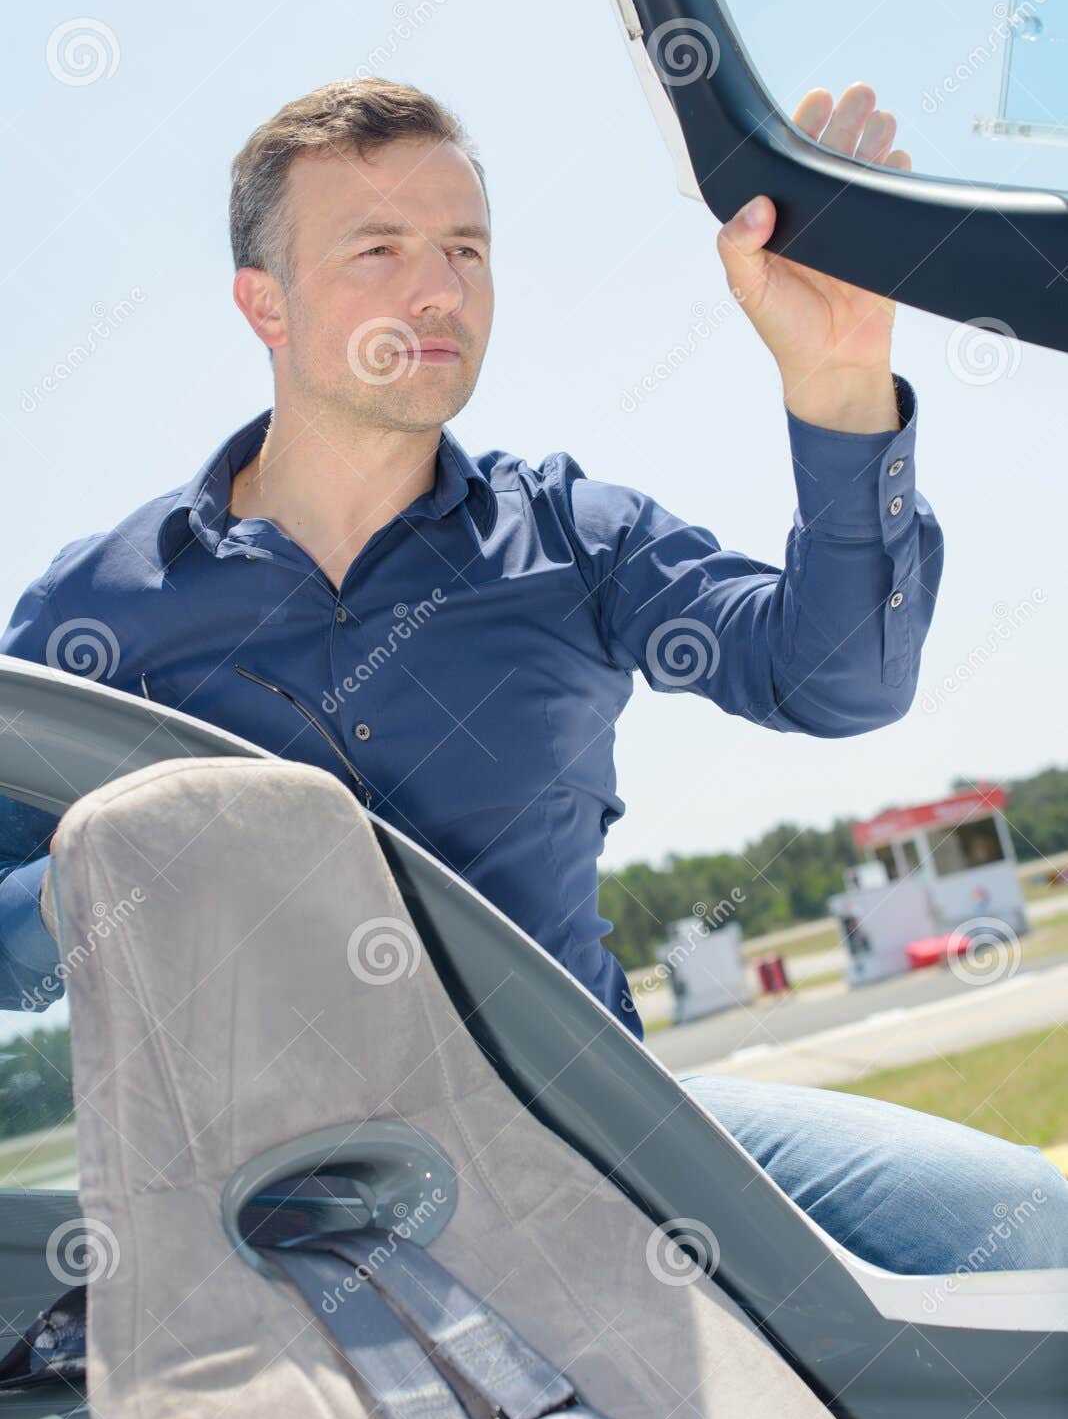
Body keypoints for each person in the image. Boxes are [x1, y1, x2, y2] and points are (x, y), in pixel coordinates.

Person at [1, 77, 1063, 1274]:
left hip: (600, 1141)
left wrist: (840, 382)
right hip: (271, 1212)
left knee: (1026, 1233)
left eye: (466, 248)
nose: (440, 289)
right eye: (380, 249)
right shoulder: (95, 612)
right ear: (268, 304)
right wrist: (94, 886)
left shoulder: (574, 539)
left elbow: (837, 682)